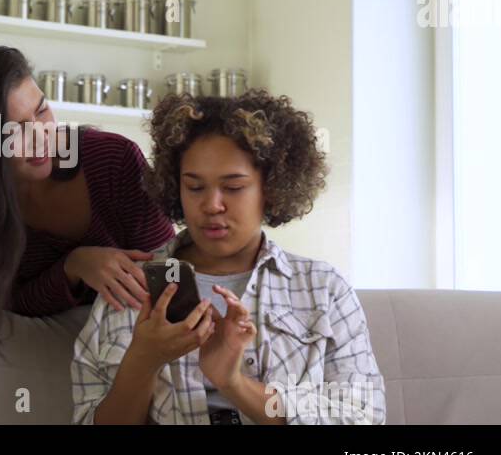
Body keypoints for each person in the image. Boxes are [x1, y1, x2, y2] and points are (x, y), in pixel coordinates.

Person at [72, 89, 386, 424]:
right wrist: (144, 359)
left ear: (272, 188)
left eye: (233, 188)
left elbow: (361, 417)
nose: (211, 205)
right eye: (194, 187)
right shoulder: (130, 287)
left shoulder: (324, 289)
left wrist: (234, 383)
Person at [0, 42, 174, 363]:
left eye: (41, 111)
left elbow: (168, 272)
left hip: (143, 358)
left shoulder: (113, 160)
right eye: (13, 130)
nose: (42, 137)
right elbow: (4, 304)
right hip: (37, 368)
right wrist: (74, 266)